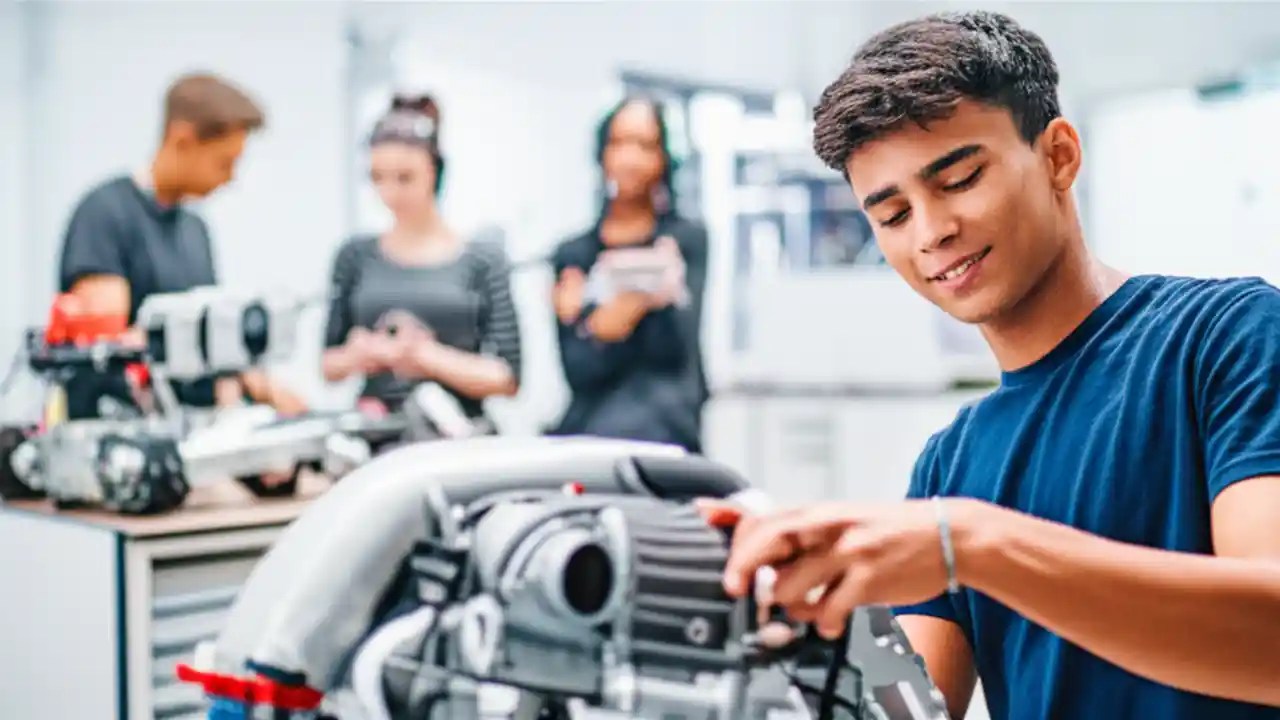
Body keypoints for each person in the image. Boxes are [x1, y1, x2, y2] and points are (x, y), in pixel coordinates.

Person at [701, 10, 1280, 720]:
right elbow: (907, 712)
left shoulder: (1227, 339)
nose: (932, 232)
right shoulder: (951, 465)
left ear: (1059, 156)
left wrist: (970, 543)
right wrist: (791, 623)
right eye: (892, 216)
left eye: (960, 178)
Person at [57, 72, 306, 419]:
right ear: (182, 139)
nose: (230, 178)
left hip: (190, 426)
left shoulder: (194, 229)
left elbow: (214, 339)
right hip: (124, 437)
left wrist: (263, 390)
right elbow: (110, 347)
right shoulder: (104, 215)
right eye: (224, 162)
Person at [322, 94, 521, 428]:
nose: (390, 194)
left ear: (434, 170)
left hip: (459, 429)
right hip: (377, 427)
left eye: (404, 178)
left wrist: (425, 357)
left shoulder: (482, 260)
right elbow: (329, 364)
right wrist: (362, 353)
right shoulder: (354, 256)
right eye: (378, 178)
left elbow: (508, 376)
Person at [548, 96, 709, 453]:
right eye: (619, 143)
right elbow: (577, 369)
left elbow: (680, 348)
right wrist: (640, 300)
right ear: (602, 152)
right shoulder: (572, 254)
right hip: (590, 428)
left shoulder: (686, 241)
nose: (630, 158)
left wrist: (601, 318)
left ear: (664, 157)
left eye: (645, 145)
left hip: (664, 429)